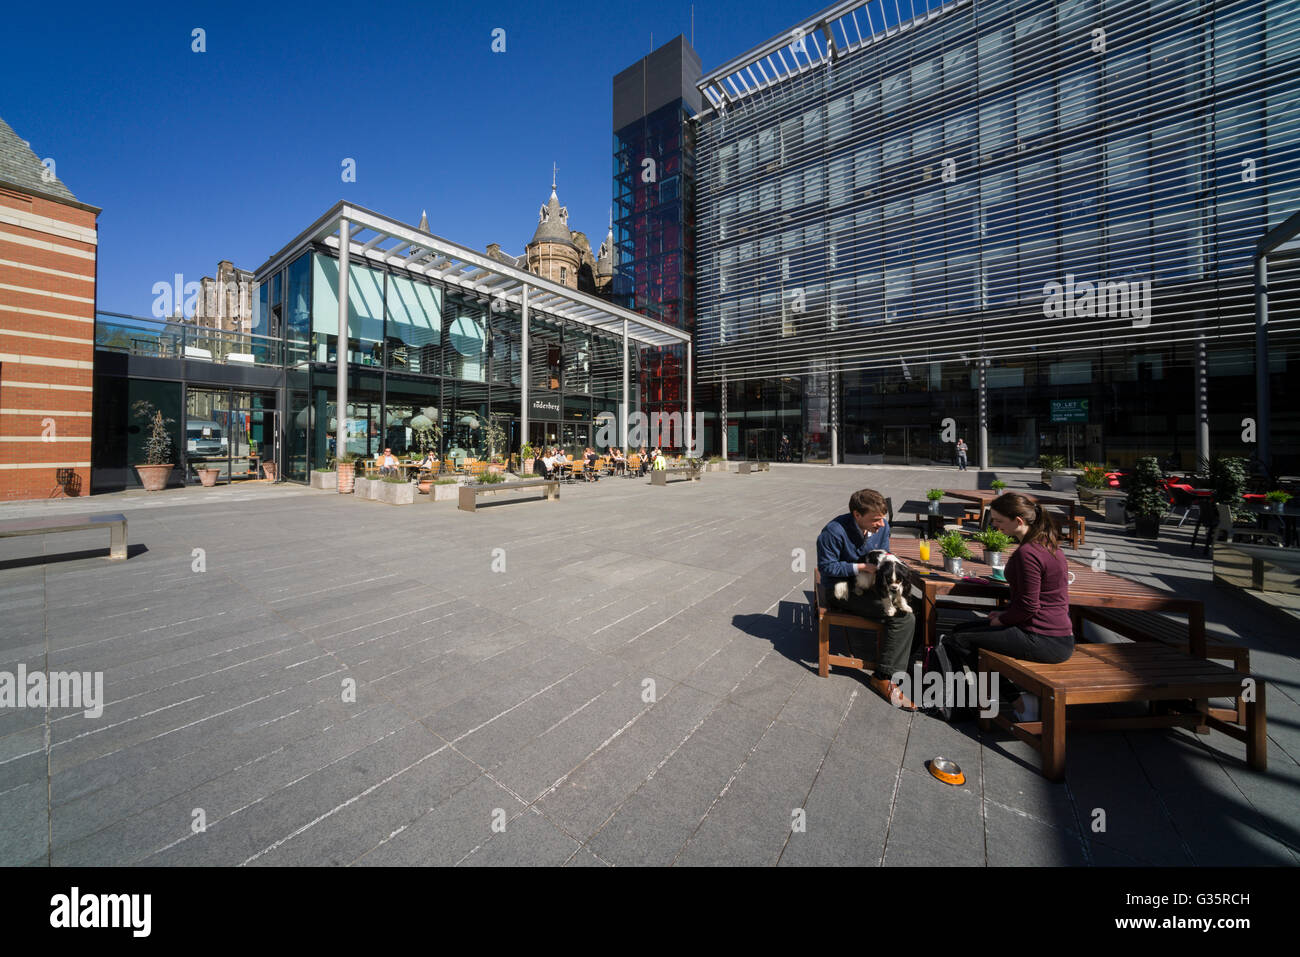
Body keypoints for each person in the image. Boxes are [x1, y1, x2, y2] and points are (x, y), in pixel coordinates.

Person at [932, 492, 1075, 721]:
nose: (995, 526)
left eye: (998, 521)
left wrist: (1004, 619)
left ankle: (1017, 703)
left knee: (960, 639)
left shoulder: (1028, 553)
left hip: (1042, 638)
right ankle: (981, 698)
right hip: (1057, 635)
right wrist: (1006, 614)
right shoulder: (1048, 545)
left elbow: (1029, 605)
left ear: (1018, 521)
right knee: (960, 632)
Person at [817, 489, 920, 709]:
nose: (881, 524)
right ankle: (883, 676)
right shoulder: (833, 532)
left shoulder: (882, 527)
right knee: (903, 616)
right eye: (875, 519)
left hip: (871, 583)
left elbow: (886, 554)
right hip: (841, 588)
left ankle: (902, 658)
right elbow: (826, 567)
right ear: (857, 515)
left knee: (917, 607)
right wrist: (862, 567)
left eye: (883, 518)